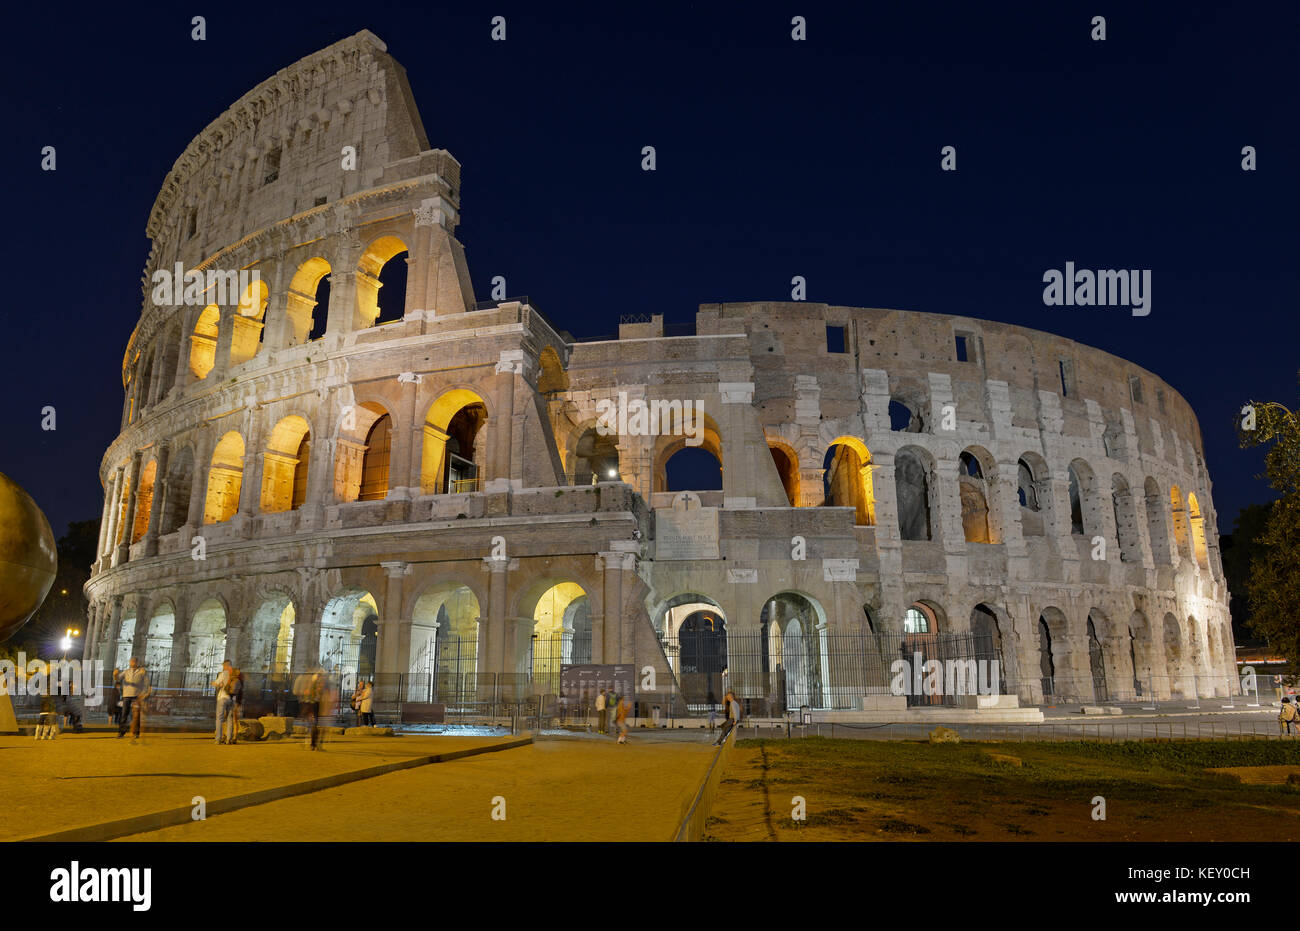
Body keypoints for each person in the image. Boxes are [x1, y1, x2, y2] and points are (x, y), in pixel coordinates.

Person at [120, 659, 150, 743]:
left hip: (136, 696)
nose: (131, 663)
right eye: (130, 661)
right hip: (126, 695)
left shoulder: (142, 672)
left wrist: (143, 693)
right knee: (124, 714)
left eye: (133, 661)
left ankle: (136, 732)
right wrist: (115, 675)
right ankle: (121, 732)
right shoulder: (126, 671)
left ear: (137, 663)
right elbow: (118, 678)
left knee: (136, 716)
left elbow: (146, 683)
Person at [213, 660, 234, 744]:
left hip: (223, 697)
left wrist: (214, 683)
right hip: (232, 699)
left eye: (223, 666)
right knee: (229, 719)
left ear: (225, 666)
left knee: (219, 718)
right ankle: (229, 739)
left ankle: (218, 739)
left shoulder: (224, 673)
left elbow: (216, 683)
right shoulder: (235, 675)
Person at [224, 667, 245, 743]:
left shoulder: (235, 681)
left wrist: (227, 691)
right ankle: (233, 736)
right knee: (233, 720)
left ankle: (233, 736)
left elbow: (232, 691)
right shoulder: (238, 680)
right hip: (236, 701)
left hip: (234, 701)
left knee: (232, 719)